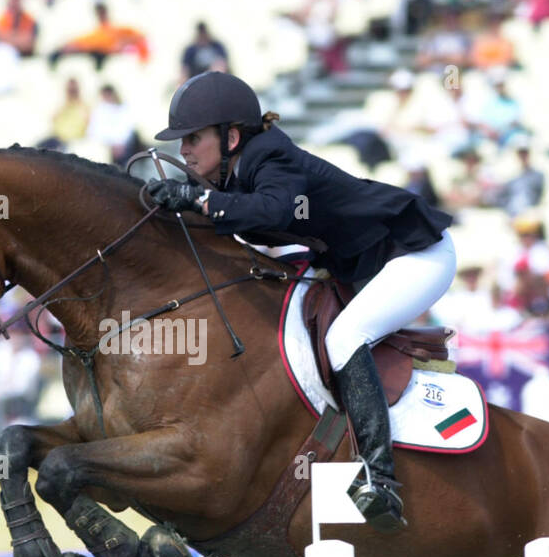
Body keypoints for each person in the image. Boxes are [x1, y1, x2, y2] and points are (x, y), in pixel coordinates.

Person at [145, 72, 455, 531]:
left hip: (414, 253)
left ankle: (379, 477)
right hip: (354, 261)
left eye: (193, 138)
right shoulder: (231, 176)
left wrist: (198, 199)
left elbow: (273, 211)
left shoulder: (270, 156)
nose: (184, 150)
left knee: (345, 335)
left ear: (231, 137)